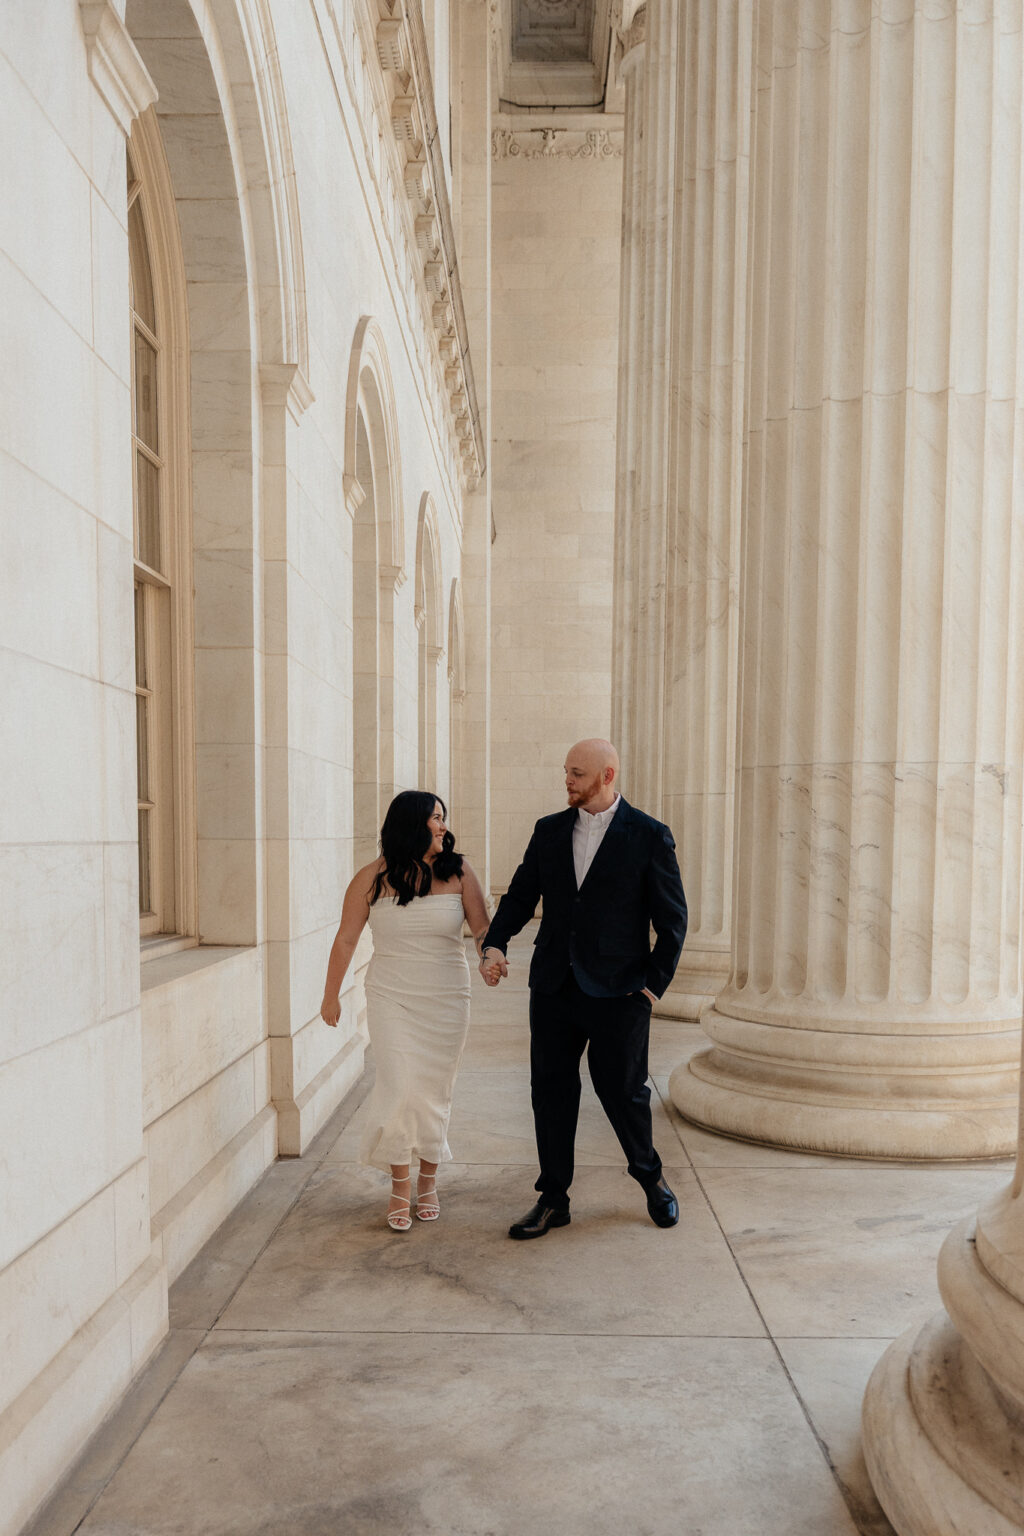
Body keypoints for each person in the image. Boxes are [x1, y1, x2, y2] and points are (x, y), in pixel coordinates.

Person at [480, 739, 687, 1238]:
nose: (567, 781)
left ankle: (650, 1177)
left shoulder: (649, 835)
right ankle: (554, 1199)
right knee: (550, 1092)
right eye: (566, 772)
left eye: (577, 773)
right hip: (554, 987)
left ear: (607, 775)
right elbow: (521, 894)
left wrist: (651, 989)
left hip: (621, 993)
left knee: (624, 1093)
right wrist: (495, 942)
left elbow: (673, 922)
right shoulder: (549, 830)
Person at [321, 791, 490, 1231]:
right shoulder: (370, 878)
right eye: (436, 817)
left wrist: (490, 957)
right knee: (397, 1087)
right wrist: (330, 994)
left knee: (434, 1091)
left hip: (446, 997)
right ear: (412, 824)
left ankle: (428, 1180)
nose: (443, 826)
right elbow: (345, 939)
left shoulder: (459, 871)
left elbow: (482, 929)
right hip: (391, 996)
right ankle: (399, 1184)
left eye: (443, 817)